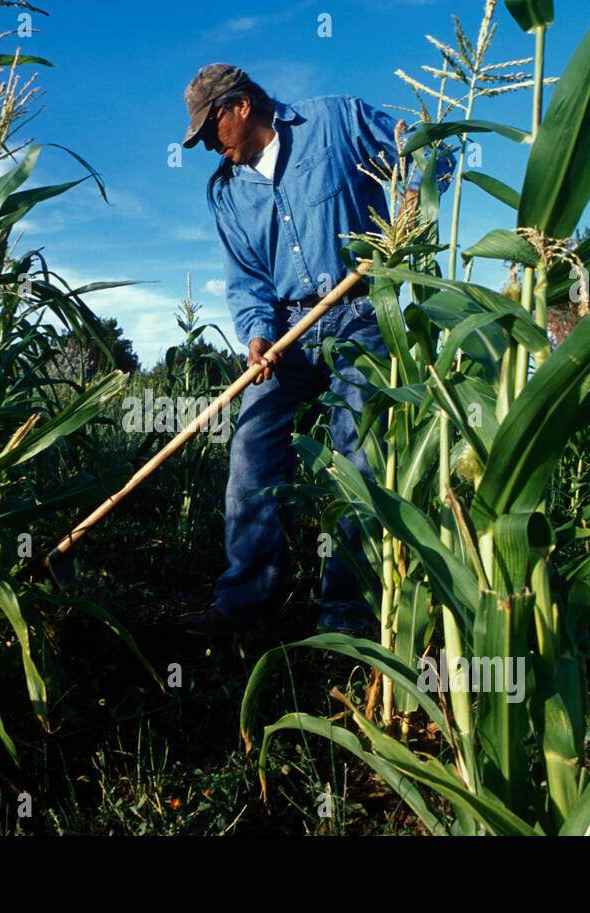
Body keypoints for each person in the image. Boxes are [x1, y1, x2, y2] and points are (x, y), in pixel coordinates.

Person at [174, 63, 452, 639]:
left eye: (210, 132)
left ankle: (344, 615)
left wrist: (410, 212)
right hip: (287, 334)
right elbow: (246, 279)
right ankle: (244, 608)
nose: (209, 148)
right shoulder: (225, 192)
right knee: (249, 445)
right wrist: (256, 335)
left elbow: (432, 154)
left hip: (365, 314)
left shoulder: (336, 121)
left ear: (240, 107)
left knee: (359, 456)